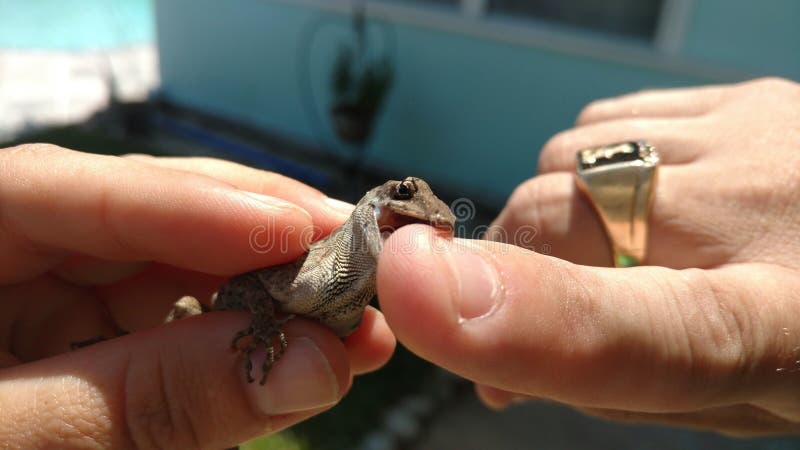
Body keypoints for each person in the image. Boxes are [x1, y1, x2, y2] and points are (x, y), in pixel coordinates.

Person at [0, 77, 797, 447]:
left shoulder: (362, 280)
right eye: (411, 197)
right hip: (235, 311)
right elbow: (277, 294)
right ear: (379, 202)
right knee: (183, 319)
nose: (428, 217)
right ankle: (113, 352)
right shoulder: (326, 265)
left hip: (294, 320)